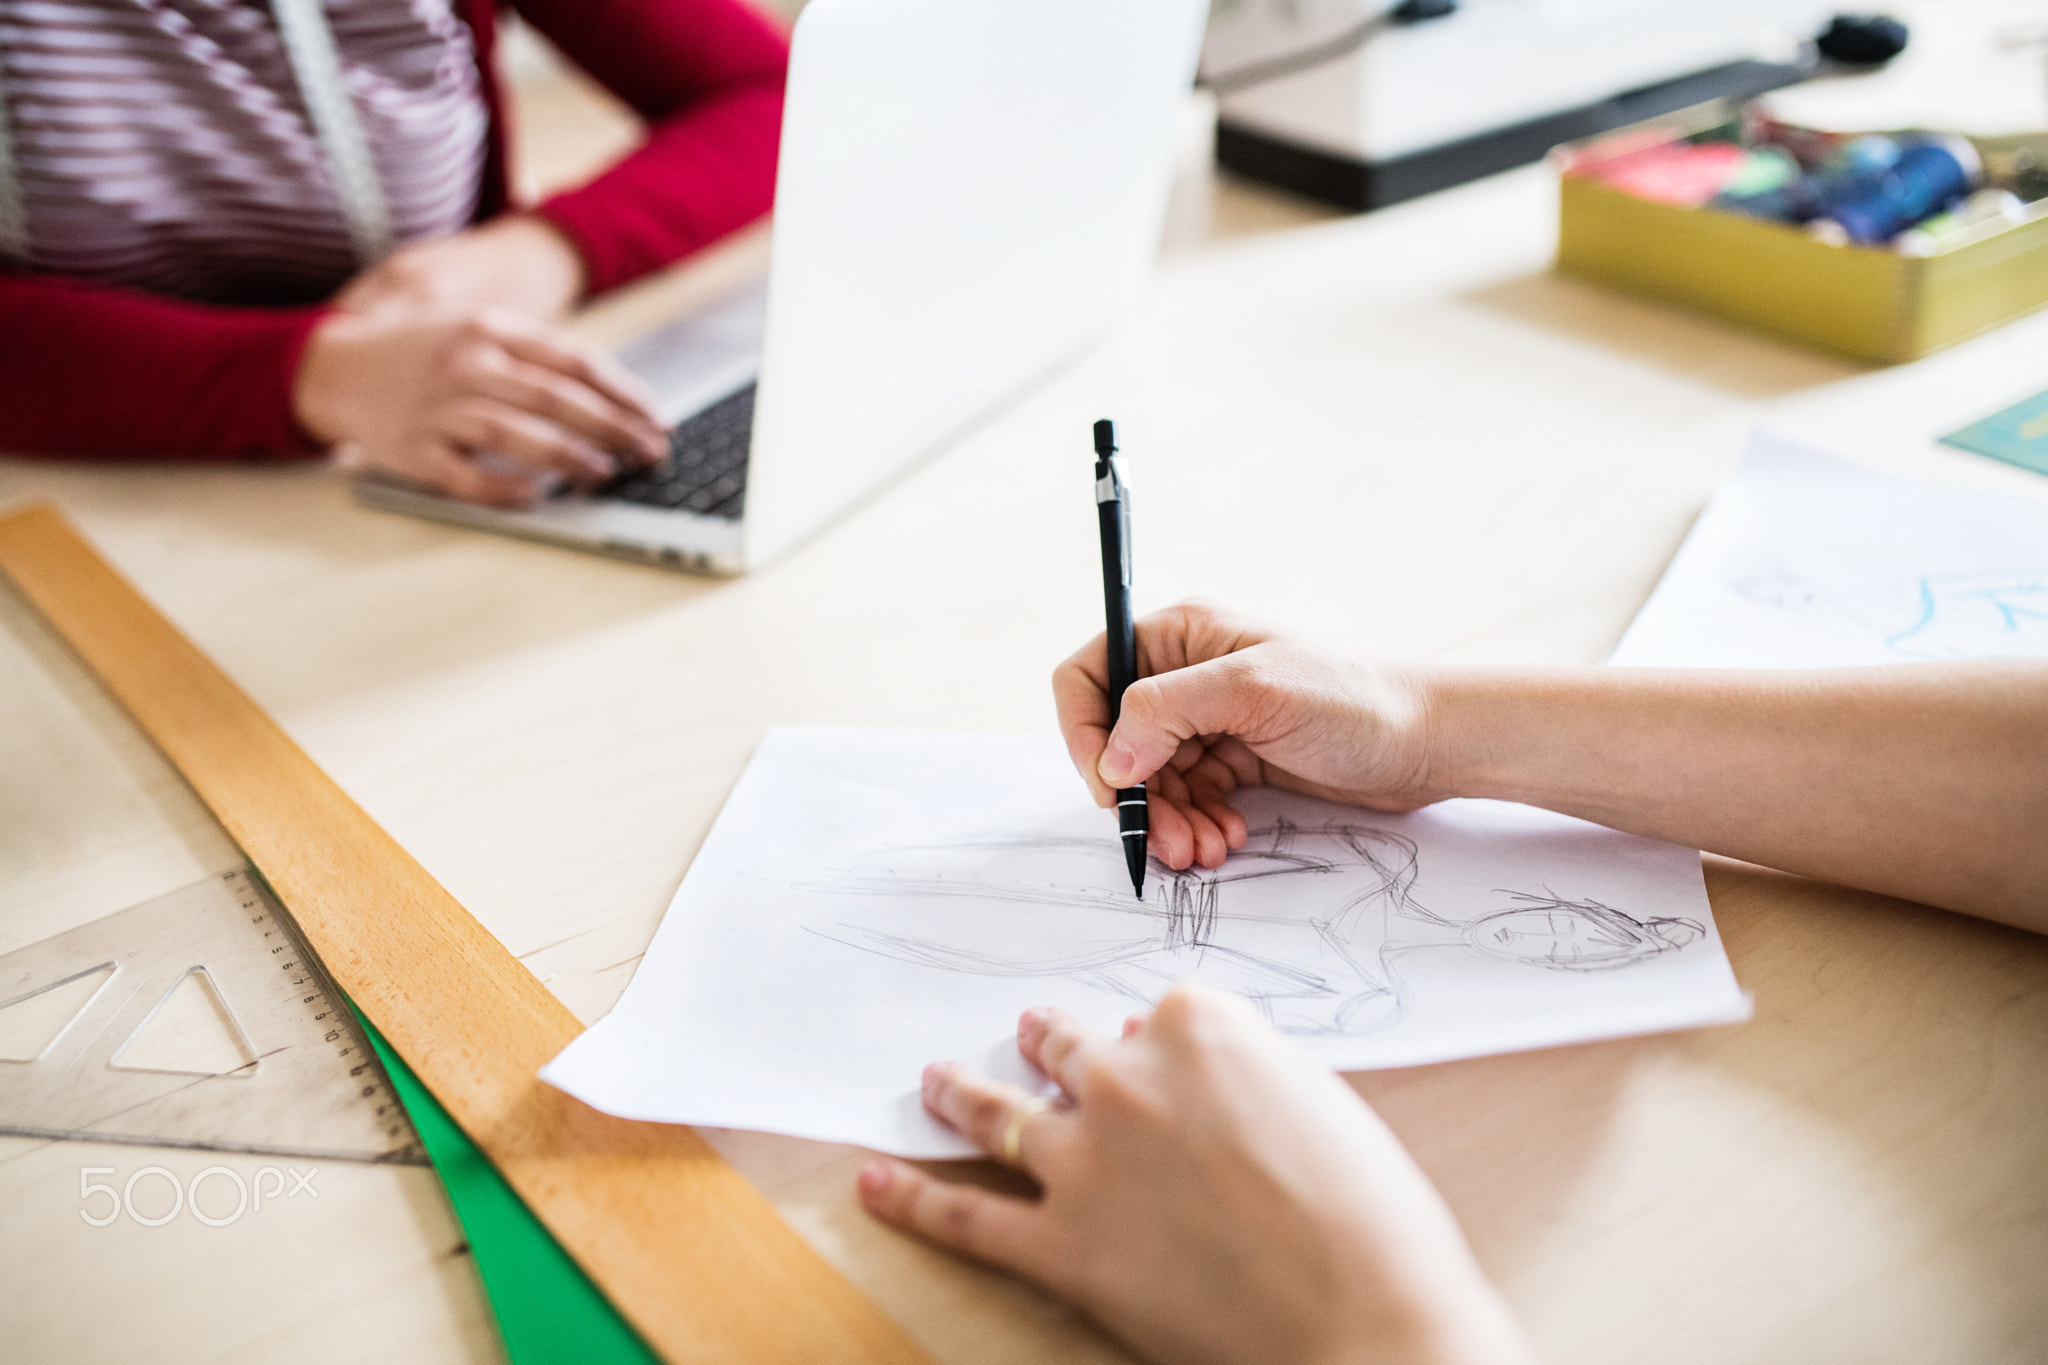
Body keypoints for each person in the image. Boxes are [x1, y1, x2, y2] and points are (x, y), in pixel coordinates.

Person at [855, 600, 2048, 1365]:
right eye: (1571, 932)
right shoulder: (1379, 868)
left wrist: (1358, 1320)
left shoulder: (1366, 991)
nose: (1555, 940)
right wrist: (1424, 727)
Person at [0, 0, 786, 506]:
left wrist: (542, 252)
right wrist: (310, 376)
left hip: (400, 480)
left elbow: (766, 91)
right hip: (81, 497)